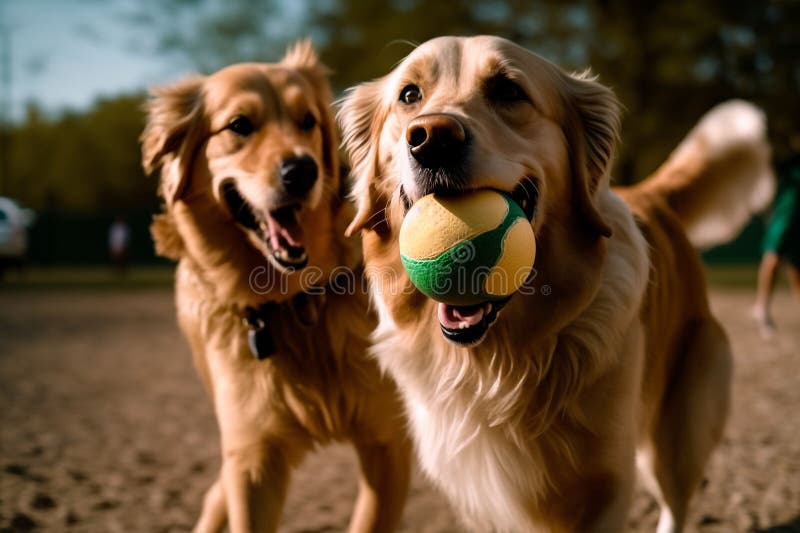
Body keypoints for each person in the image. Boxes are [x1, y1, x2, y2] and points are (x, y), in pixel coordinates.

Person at [752, 135, 800, 337]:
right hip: (785, 217)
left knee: (797, 267)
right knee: (773, 259)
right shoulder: (789, 163)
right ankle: (762, 307)